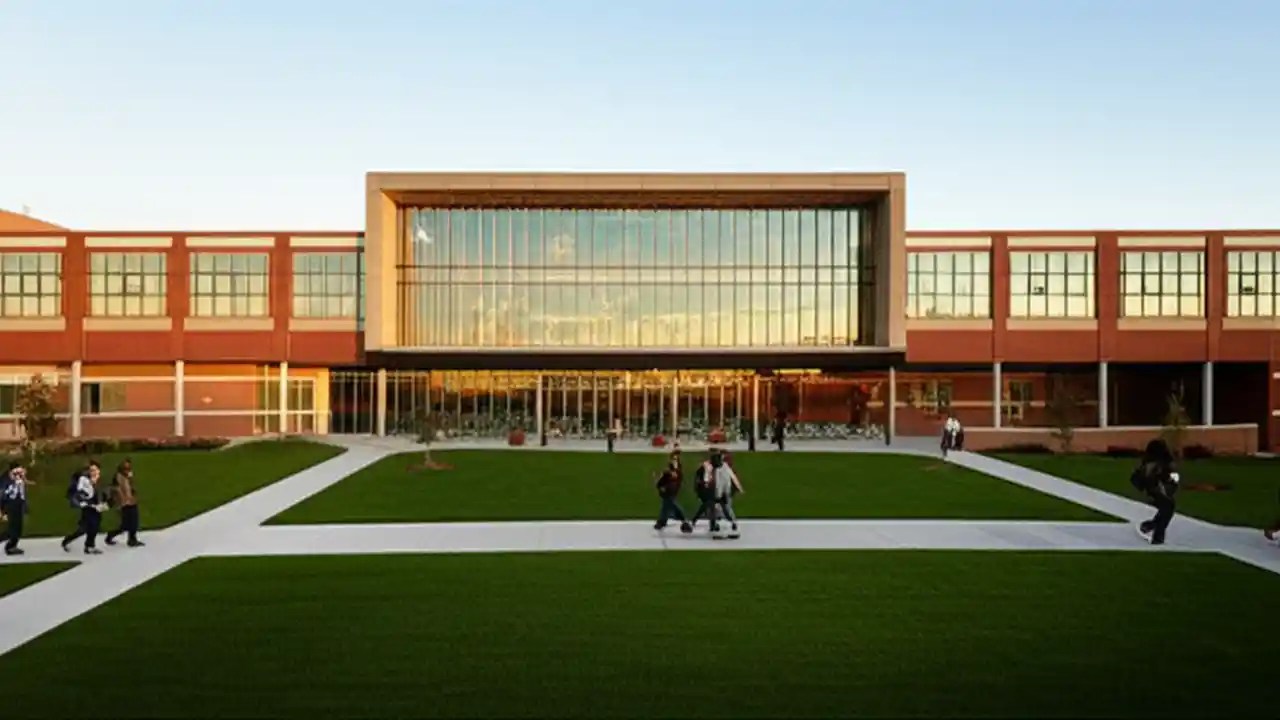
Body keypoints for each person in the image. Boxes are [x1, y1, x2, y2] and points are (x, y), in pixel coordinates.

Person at [1130, 439, 1179, 546]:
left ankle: (1152, 528)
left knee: (1167, 509)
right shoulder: (1154, 465)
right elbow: (1174, 478)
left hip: (1157, 490)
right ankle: (1156, 533)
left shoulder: (1150, 464)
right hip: (1155, 491)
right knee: (1168, 508)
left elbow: (1137, 478)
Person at [62, 460, 109, 555]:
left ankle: (89, 546)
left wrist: (103, 504)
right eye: (92, 470)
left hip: (97, 506)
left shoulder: (98, 479)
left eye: (96, 469)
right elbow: (80, 493)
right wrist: (87, 502)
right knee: (84, 528)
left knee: (95, 526)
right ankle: (67, 540)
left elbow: (102, 493)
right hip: (88, 506)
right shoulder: (84, 480)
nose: (94, 472)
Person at [105, 458, 144, 548]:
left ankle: (129, 539)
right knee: (128, 524)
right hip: (125, 503)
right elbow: (117, 490)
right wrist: (122, 501)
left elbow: (131, 486)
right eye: (126, 467)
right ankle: (130, 540)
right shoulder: (118, 477)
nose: (128, 469)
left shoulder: (128, 475)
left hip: (131, 501)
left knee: (131, 523)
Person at [708, 448, 744, 539]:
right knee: (717, 510)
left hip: (724, 493)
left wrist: (738, 488)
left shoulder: (723, 468)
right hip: (720, 493)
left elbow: (728, 481)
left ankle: (732, 525)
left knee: (725, 510)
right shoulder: (718, 469)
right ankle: (718, 526)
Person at [653, 459, 692, 533]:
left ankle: (661, 522)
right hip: (668, 493)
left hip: (670, 493)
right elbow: (660, 484)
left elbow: (660, 484)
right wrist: (662, 488)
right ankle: (663, 522)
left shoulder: (676, 474)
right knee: (670, 507)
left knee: (668, 507)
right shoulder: (668, 474)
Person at [1, 461, 30, 556]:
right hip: (10, 504)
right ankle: (10, 547)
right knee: (13, 528)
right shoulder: (6, 479)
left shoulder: (19, 479)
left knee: (18, 527)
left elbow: (22, 493)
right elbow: (3, 493)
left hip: (18, 504)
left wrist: (25, 506)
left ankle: (13, 545)